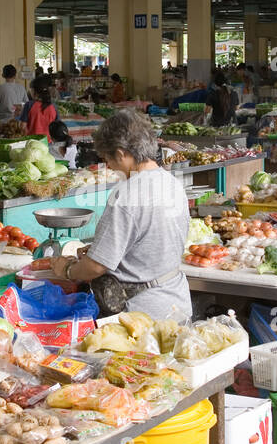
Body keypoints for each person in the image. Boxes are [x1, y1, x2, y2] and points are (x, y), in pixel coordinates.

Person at [48, 110, 190, 322]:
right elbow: (153, 242)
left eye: (107, 159)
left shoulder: (127, 194)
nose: (109, 167)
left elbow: (96, 267)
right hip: (176, 303)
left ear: (122, 154)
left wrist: (67, 269)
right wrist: (103, 251)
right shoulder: (171, 181)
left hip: (142, 317)